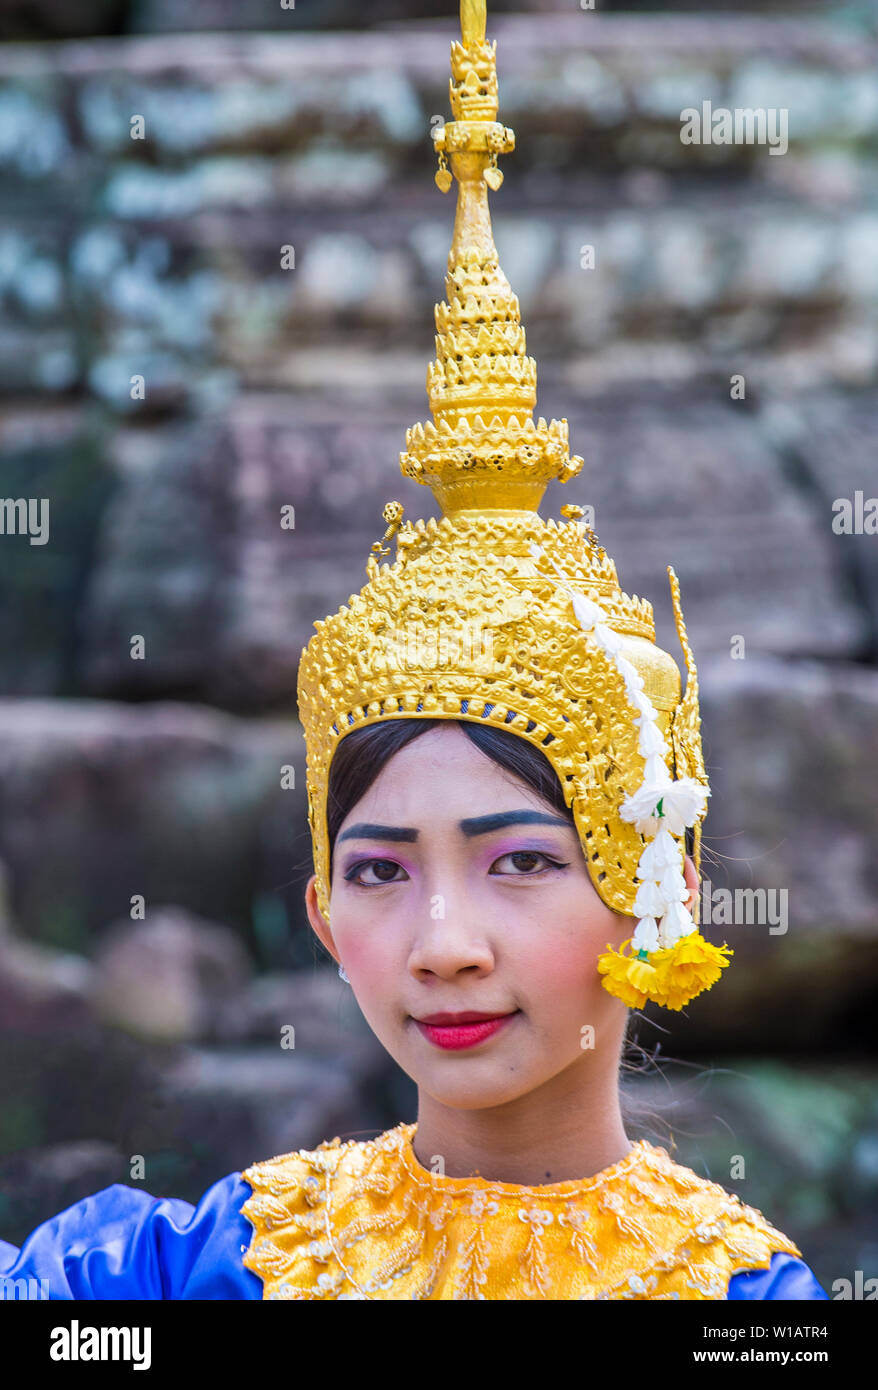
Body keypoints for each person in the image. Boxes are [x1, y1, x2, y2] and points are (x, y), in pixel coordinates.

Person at [0, 1, 828, 1300]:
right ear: (323, 916)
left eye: (519, 861)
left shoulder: (741, 1305)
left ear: (651, 889)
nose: (441, 940)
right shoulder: (206, 1266)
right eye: (379, 871)